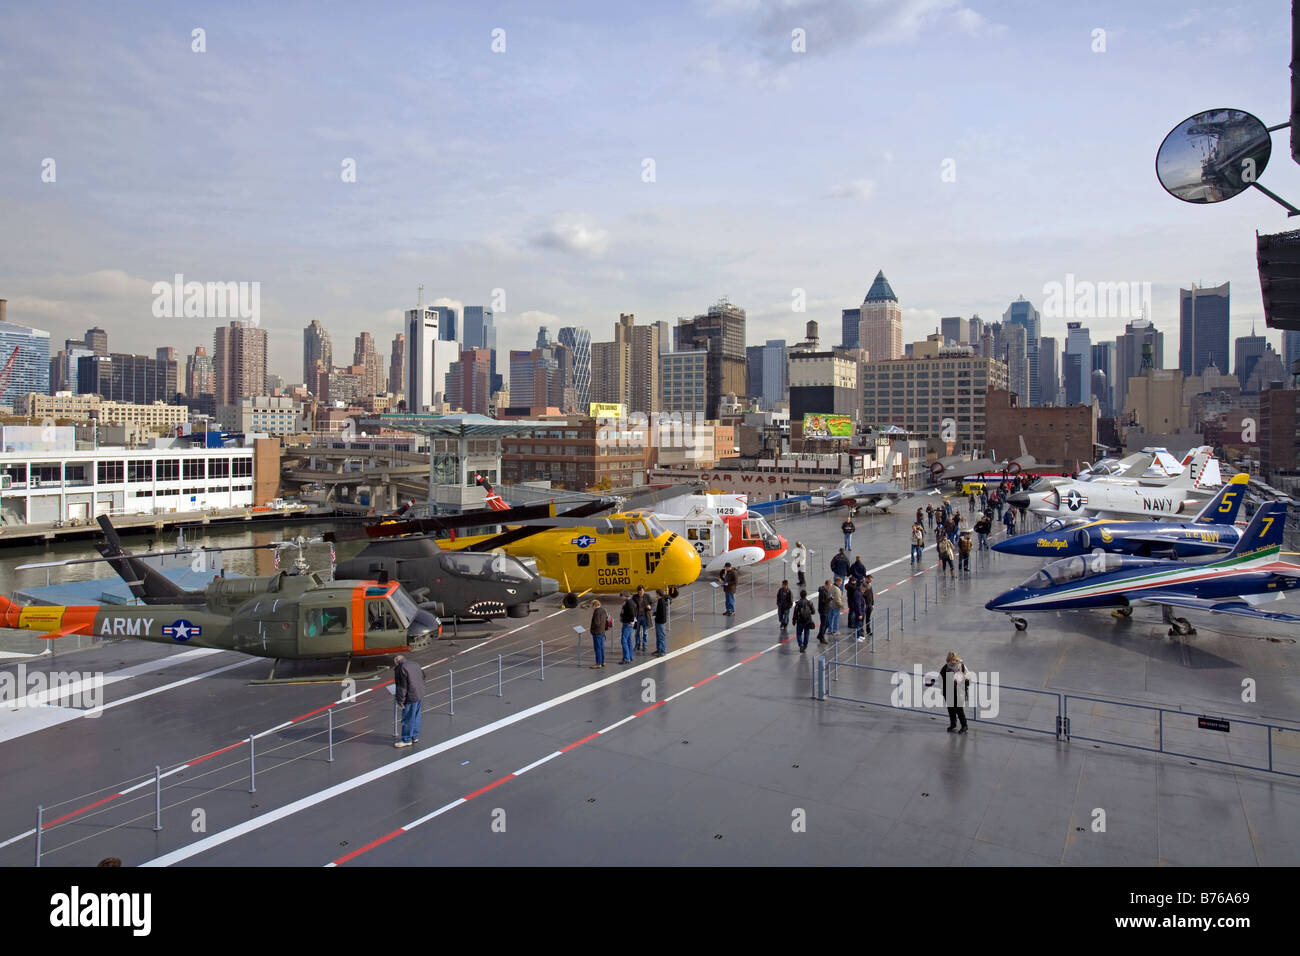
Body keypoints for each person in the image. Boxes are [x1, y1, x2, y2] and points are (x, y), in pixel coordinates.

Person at [393, 654, 425, 748]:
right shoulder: (414, 663)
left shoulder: (400, 669)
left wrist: (400, 702)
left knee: (407, 718)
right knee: (416, 716)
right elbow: (423, 675)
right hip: (419, 693)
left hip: (410, 697)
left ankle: (406, 739)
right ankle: (415, 736)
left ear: (396, 662)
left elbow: (401, 687)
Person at [940, 651, 971, 733]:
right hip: (948, 691)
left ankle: (964, 726)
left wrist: (961, 680)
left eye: (953, 659)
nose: (952, 661)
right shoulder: (946, 667)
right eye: (950, 660)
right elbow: (941, 676)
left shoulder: (961, 666)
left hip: (958, 691)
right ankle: (953, 724)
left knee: (959, 709)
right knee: (951, 709)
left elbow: (968, 676)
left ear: (956, 659)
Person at [589, 600, 609, 668]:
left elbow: (597, 623)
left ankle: (598, 663)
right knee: (601, 647)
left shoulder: (596, 612)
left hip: (597, 632)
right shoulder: (603, 610)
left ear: (595, 605)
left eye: (592, 606)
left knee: (597, 648)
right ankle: (602, 661)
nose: (592, 607)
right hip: (602, 631)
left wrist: (592, 629)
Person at [619, 591, 637, 664]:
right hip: (629, 623)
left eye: (622, 597)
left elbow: (632, 613)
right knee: (629, 639)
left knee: (624, 640)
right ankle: (630, 656)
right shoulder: (631, 602)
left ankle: (626, 658)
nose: (621, 598)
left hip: (627, 623)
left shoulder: (629, 603)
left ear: (624, 596)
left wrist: (631, 621)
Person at [634, 585, 652, 652]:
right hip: (637, 617)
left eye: (642, 591)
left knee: (645, 632)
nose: (641, 592)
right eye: (640, 591)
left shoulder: (647, 596)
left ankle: (645, 646)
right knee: (637, 632)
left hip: (645, 616)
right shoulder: (635, 597)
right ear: (638, 591)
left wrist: (650, 607)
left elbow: (651, 603)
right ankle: (637, 645)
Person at [653, 590, 670, 656]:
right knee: (658, 636)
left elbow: (662, 613)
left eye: (656, 594)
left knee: (661, 636)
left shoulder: (661, 602)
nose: (656, 595)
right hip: (658, 621)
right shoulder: (660, 601)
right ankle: (659, 649)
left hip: (660, 622)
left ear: (658, 594)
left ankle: (662, 651)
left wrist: (656, 616)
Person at [815, 580, 831, 644]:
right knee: (824, 624)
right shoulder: (822, 592)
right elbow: (823, 601)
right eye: (829, 586)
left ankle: (820, 635)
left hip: (826, 609)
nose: (830, 587)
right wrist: (830, 599)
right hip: (823, 610)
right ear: (826, 585)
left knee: (826, 624)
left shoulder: (826, 591)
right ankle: (821, 637)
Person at [860, 574, 874, 640]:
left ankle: (868, 631)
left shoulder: (870, 585)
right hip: (864, 605)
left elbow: (871, 594)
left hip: (869, 605)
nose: (871, 581)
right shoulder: (863, 585)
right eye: (870, 579)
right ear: (866, 579)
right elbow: (862, 594)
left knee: (868, 619)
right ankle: (861, 632)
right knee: (862, 619)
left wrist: (872, 603)